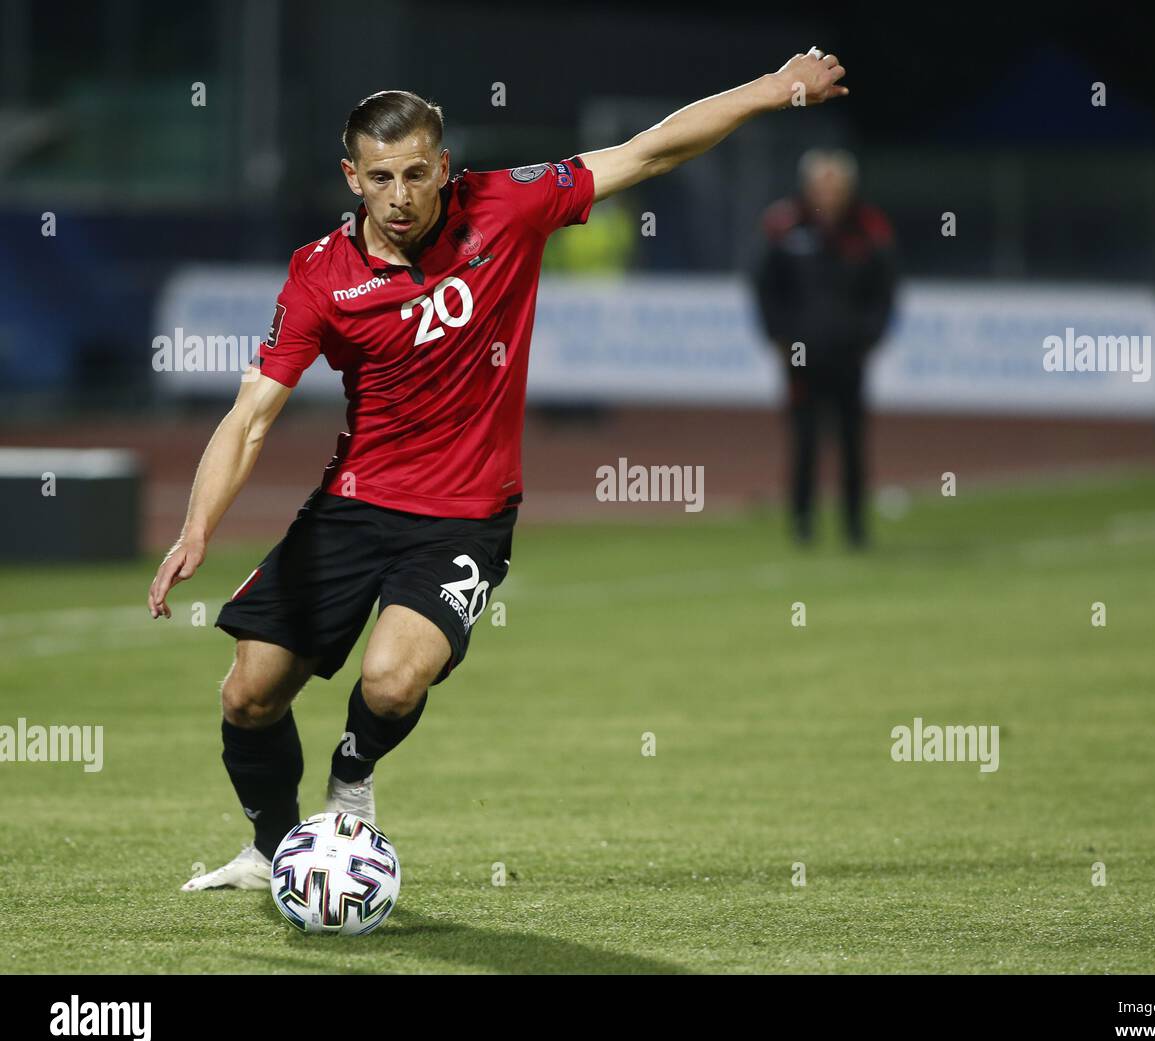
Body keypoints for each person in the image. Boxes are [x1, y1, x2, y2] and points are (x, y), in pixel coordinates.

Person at [148, 48, 850, 891]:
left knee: (394, 676)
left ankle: (350, 780)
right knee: (248, 693)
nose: (401, 195)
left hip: (465, 517)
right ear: (351, 177)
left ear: (444, 166)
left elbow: (647, 151)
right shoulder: (319, 277)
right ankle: (272, 847)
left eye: (416, 173)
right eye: (380, 177)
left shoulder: (507, 207)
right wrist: (198, 528)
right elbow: (251, 414)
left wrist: (773, 90)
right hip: (352, 506)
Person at [754, 148, 897, 547]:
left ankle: (855, 527)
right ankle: (802, 525)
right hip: (801, 355)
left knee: (853, 441)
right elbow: (766, 289)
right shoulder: (784, 225)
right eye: (822, 183)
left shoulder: (869, 228)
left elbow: (885, 292)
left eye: (835, 183)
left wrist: (870, 337)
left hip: (849, 354)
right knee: (804, 439)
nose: (828, 192)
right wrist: (778, 337)